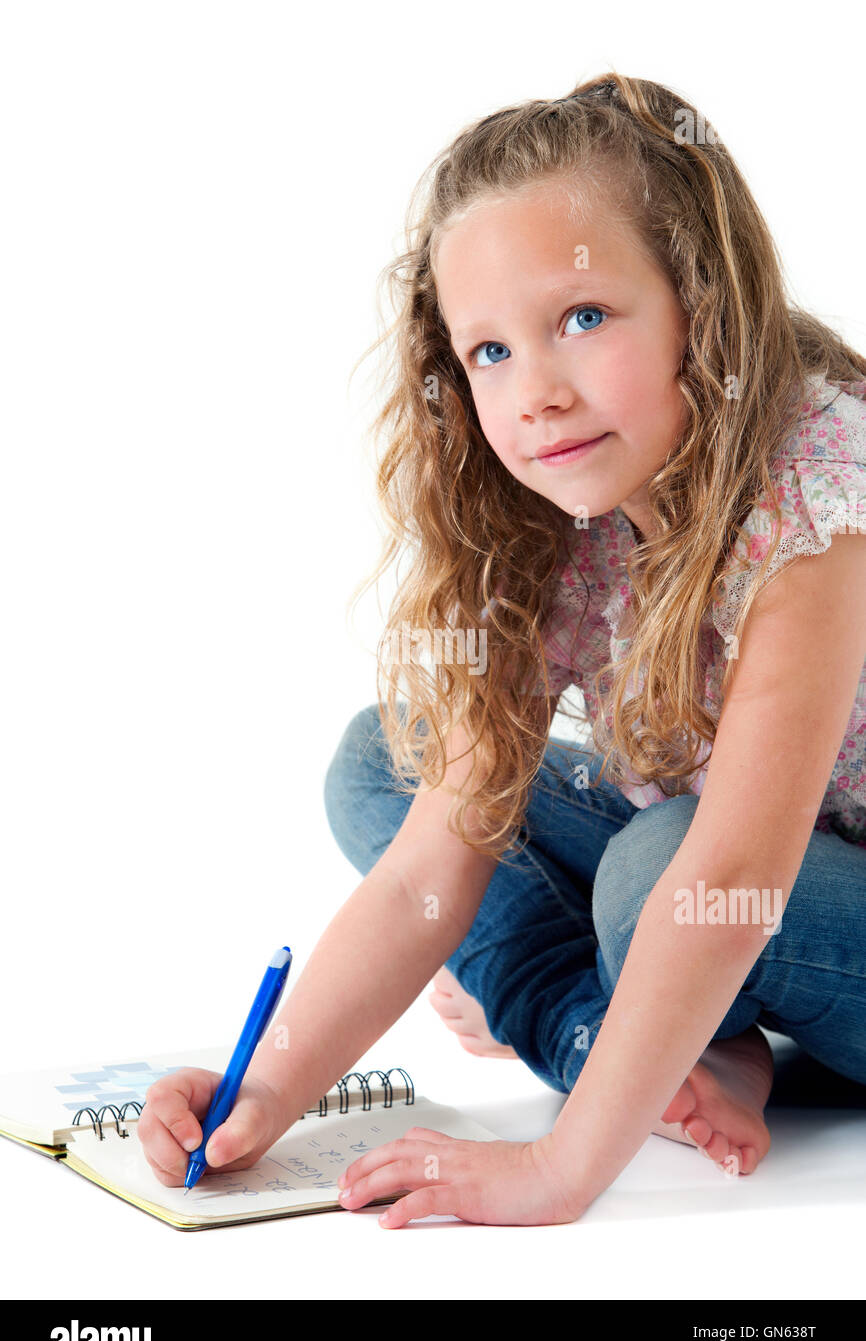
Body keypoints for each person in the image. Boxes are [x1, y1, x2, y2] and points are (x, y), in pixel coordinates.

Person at [138, 72, 866, 1228]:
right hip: (712, 879)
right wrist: (263, 1090)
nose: (535, 393)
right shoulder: (561, 510)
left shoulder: (817, 492)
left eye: (581, 318)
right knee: (387, 758)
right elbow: (433, 871)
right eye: (487, 352)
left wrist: (556, 1169)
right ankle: (660, 1053)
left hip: (815, 912)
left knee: (658, 872)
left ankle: (619, 1060)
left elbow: (731, 875)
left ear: (698, 301)